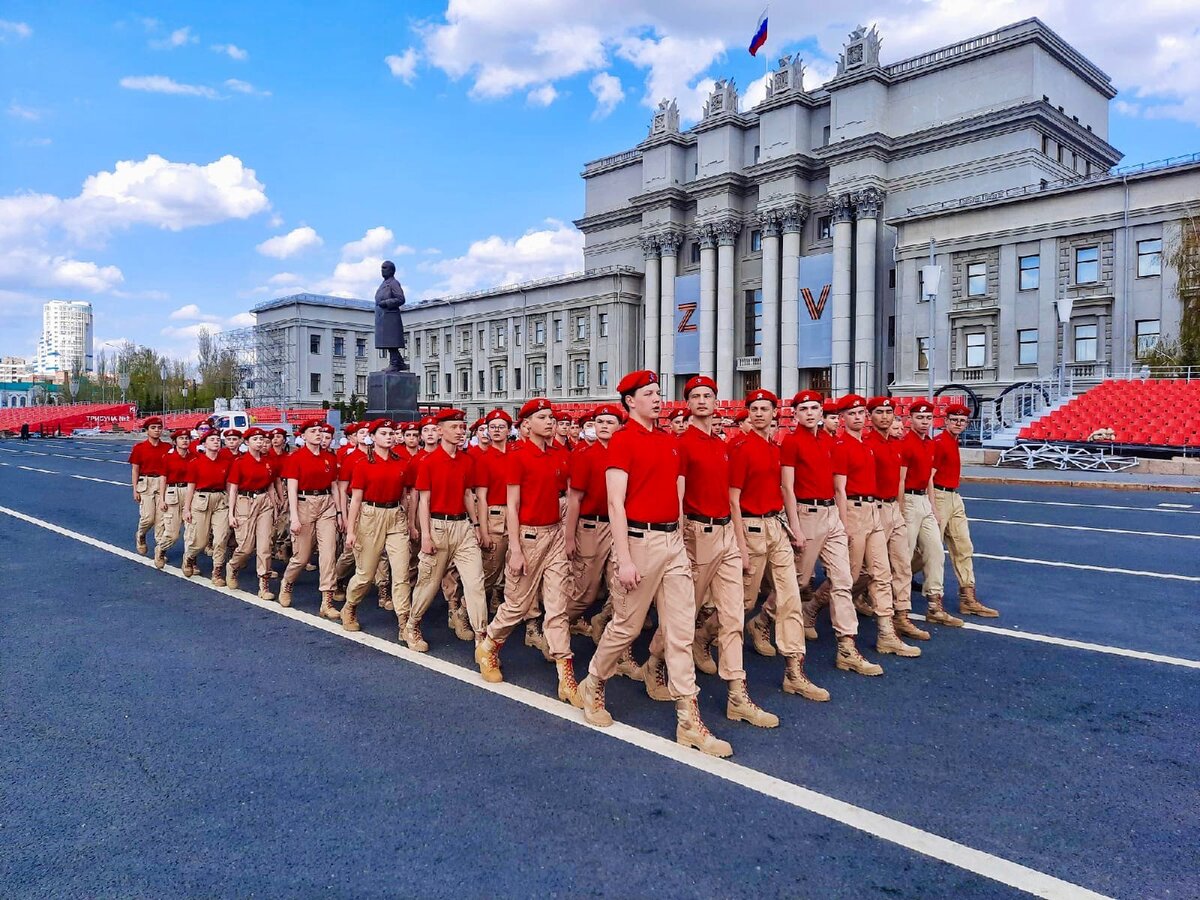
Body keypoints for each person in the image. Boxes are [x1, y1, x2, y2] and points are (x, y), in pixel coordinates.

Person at [579, 370, 732, 758]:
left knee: (680, 632)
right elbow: (616, 503)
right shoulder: (622, 442)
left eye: (658, 392)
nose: (657, 398)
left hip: (672, 543)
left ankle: (689, 720)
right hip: (638, 541)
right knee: (626, 626)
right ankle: (594, 683)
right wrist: (624, 558)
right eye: (648, 393)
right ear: (630, 401)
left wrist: (679, 539)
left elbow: (678, 498)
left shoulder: (670, 443)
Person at [659, 377, 778, 728]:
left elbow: (731, 498)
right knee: (684, 612)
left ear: (716, 401)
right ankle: (654, 662)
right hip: (697, 533)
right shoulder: (682, 444)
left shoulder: (721, 443)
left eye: (707, 395)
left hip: (726, 531)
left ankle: (738, 695)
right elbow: (677, 496)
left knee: (733, 617)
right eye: (694, 396)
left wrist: (740, 545)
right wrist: (679, 538)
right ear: (688, 402)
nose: (701, 400)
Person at [476, 398, 579, 706]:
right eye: (543, 417)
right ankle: (490, 644)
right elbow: (512, 505)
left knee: (558, 607)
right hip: (529, 536)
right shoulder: (518, 457)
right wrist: (517, 549)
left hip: (556, 537)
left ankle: (566, 674)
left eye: (551, 417)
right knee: (517, 606)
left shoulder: (557, 455)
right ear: (527, 423)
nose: (550, 422)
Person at [732, 389, 829, 702]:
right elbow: (732, 500)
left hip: (775, 526)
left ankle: (794, 671)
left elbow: (785, 491)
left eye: (766, 408)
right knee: (743, 602)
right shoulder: (741, 447)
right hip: (750, 527)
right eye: (755, 408)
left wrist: (793, 528)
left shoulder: (775, 448)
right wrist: (741, 546)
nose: (760, 413)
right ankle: (703, 638)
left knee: (791, 598)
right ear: (748, 413)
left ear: (776, 413)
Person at [782, 391, 884, 677]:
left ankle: (847, 647)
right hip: (806, 514)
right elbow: (788, 488)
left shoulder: (829, 442)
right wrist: (796, 527)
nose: (811, 413)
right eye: (804, 409)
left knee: (843, 580)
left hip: (831, 516)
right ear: (796, 414)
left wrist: (842, 521)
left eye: (815, 408)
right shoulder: (791, 442)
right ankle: (763, 621)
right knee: (798, 580)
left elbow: (838, 486)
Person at [829, 396, 920, 658]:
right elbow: (840, 489)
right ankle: (813, 609)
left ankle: (886, 633)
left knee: (882, 574)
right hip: (854, 512)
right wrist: (844, 524)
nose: (857, 417)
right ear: (843, 418)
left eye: (860, 413)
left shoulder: (866, 446)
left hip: (874, 512)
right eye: (852, 413)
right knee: (850, 576)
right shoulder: (842, 445)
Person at [563, 405, 640, 679]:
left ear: (620, 425)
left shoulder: (626, 452)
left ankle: (622, 655)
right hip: (591, 527)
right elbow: (574, 499)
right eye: (599, 421)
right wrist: (570, 536)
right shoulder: (584, 455)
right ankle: (556, 629)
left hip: (619, 527)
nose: (604, 425)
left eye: (610, 421)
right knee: (585, 592)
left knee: (623, 592)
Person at [407, 409, 488, 651]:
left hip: (463, 527)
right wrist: (426, 536)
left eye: (463, 427)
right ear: (440, 430)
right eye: (455, 427)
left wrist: (475, 525)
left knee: (475, 582)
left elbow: (467, 494)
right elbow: (424, 501)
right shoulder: (428, 462)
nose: (460, 432)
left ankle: (481, 637)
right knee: (429, 583)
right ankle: (412, 625)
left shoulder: (466, 461)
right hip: (438, 526)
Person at [863, 398, 929, 641]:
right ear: (871, 416)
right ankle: (817, 605)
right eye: (879, 412)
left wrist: (900, 511)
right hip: (873, 509)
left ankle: (901, 616)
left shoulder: (897, 444)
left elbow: (900, 481)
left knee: (902, 565)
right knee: (864, 571)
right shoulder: (866, 442)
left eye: (889, 412)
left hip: (893, 508)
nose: (884, 417)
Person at [341, 420, 412, 633]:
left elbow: (405, 495)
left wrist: (409, 520)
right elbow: (356, 499)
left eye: (391, 433)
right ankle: (350, 606)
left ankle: (404, 621)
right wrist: (351, 530)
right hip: (370, 516)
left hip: (395, 516)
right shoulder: (363, 464)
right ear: (372, 437)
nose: (389, 437)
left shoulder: (401, 462)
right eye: (383, 433)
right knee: (366, 574)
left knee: (401, 572)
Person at [897, 400, 962, 627]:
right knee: (903, 558)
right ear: (910, 419)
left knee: (935, 551)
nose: (924, 422)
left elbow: (929, 479)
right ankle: (900, 611)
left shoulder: (930, 444)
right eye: (919, 418)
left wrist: (933, 507)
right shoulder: (906, 443)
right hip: (909, 501)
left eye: (927, 418)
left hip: (924, 500)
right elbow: (901, 480)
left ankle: (935, 605)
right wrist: (900, 508)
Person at [932, 403, 999, 618]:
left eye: (962, 421)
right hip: (939, 495)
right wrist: (932, 505)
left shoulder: (953, 441)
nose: (958, 424)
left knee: (963, 546)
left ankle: (967, 597)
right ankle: (888, 585)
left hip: (954, 496)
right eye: (954, 420)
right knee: (925, 551)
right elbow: (928, 477)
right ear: (946, 421)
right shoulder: (940, 443)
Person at [280, 420, 342, 619]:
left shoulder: (329, 458)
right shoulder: (296, 458)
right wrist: (295, 518)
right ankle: (287, 583)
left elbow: (335, 487)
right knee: (302, 556)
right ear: (303, 435)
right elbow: (291, 488)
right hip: (304, 503)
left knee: (328, 554)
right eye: (313, 431)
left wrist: (340, 512)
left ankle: (327, 600)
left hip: (326, 504)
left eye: (320, 431)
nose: (318, 434)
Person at [226, 427, 278, 600]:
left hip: (264, 501)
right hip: (245, 502)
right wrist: (231, 513)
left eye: (261, 439)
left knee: (264, 546)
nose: (260, 442)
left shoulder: (267, 462)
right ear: (247, 442)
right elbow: (233, 488)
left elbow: (270, 484)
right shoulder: (240, 462)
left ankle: (264, 583)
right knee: (246, 546)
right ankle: (233, 566)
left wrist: (275, 504)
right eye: (255, 439)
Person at [474, 408, 515, 612]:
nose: (497, 430)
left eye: (501, 427)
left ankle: (498, 598)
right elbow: (481, 497)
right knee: (490, 567)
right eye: (492, 427)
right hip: (495, 516)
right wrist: (483, 529)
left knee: (512, 568)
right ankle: (467, 608)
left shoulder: (516, 455)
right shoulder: (483, 458)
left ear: (509, 430)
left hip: (516, 514)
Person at [182, 430, 234, 584]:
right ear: (204, 444)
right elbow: (190, 488)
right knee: (200, 540)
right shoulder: (196, 463)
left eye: (218, 439)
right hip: (201, 500)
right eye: (212, 439)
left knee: (221, 538)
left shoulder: (226, 463)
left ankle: (217, 571)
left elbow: (229, 486)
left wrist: (232, 508)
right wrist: (186, 508)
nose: (216, 442)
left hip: (221, 500)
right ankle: (190, 557)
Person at [128, 416, 170, 555]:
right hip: (146, 483)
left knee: (161, 519)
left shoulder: (168, 448)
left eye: (159, 428)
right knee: (148, 517)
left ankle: (160, 549)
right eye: (153, 428)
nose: (157, 430)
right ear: (147, 431)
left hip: (163, 483)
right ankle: (141, 535)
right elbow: (135, 469)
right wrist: (134, 489)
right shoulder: (139, 448)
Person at [155, 428, 193, 569]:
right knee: (172, 533)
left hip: (190, 493)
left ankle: (190, 560)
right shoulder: (168, 457)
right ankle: (161, 549)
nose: (184, 441)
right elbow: (163, 479)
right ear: (175, 441)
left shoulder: (194, 457)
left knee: (191, 532)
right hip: (173, 493)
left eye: (187, 438)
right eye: (181, 438)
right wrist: (161, 498)